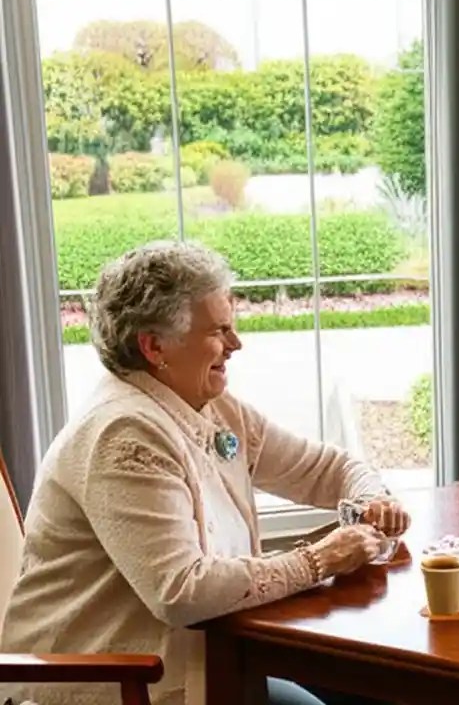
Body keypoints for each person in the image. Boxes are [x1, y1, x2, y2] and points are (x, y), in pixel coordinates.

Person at [0, 242, 407, 705]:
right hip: (118, 687)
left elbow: (331, 468)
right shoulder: (124, 432)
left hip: (205, 666)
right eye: (218, 330)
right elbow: (181, 591)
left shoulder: (210, 405)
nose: (236, 344)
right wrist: (320, 559)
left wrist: (376, 500)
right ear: (154, 347)